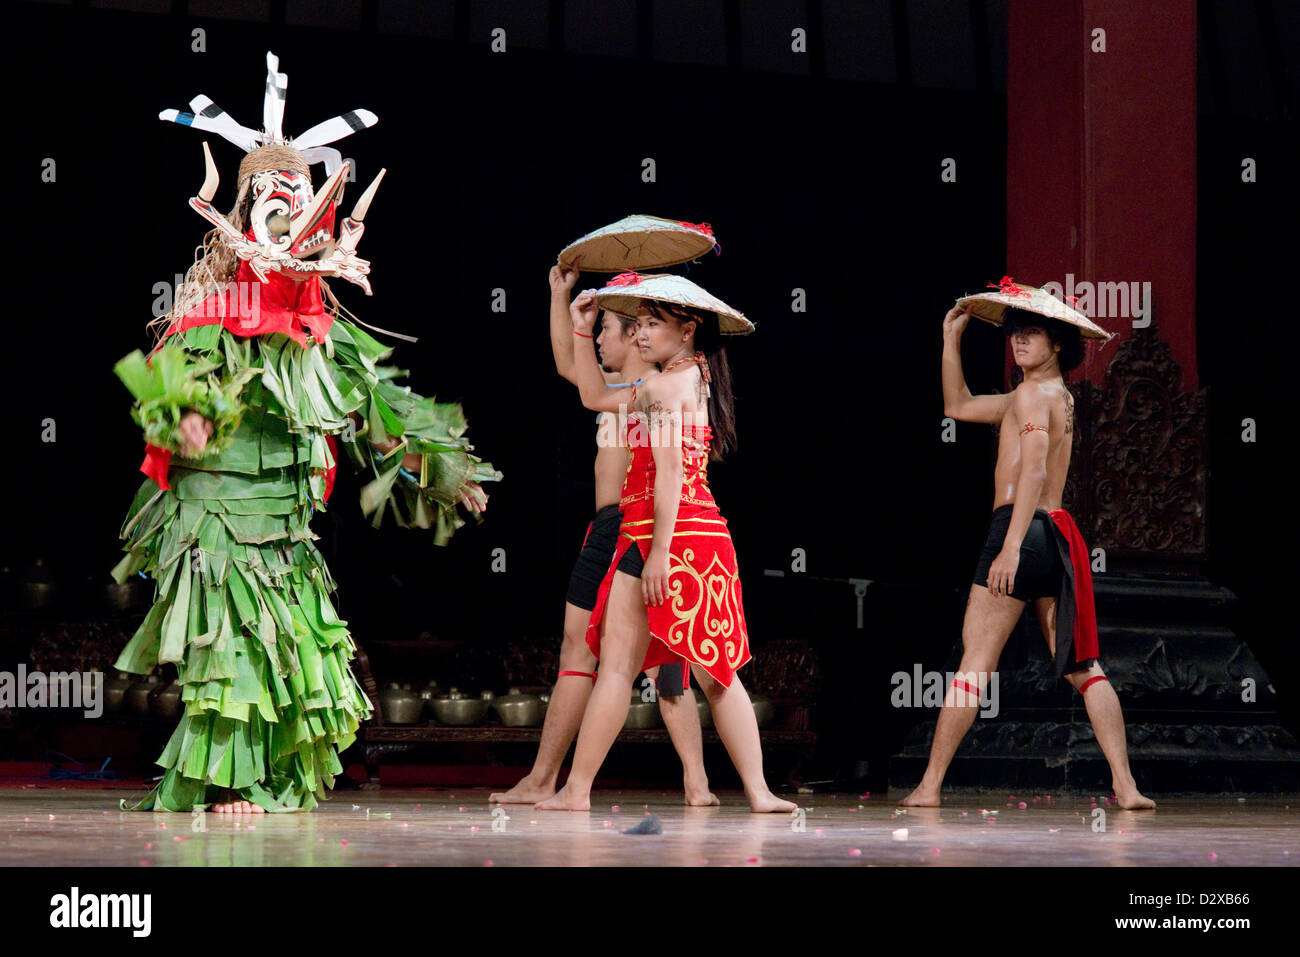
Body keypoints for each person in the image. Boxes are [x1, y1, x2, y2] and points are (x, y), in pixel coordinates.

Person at [111, 52, 499, 813]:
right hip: (219, 509)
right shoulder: (209, 311)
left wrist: (443, 469)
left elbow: (371, 409)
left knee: (291, 639)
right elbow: (165, 411)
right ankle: (229, 780)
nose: (291, 216)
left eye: (301, 202)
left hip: (285, 519)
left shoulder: (318, 324)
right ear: (246, 209)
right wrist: (189, 419)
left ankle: (265, 774)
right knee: (229, 635)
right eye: (274, 201)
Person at [535, 276, 794, 813]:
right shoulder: (690, 379)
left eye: (654, 323)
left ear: (688, 329)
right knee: (714, 674)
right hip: (685, 532)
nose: (644, 333)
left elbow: (672, 470)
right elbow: (592, 396)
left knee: (654, 672)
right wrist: (583, 332)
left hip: (671, 535)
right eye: (643, 323)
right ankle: (758, 792)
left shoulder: (667, 387)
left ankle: (579, 791)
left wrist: (658, 552)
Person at [900, 292, 1154, 810]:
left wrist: (1011, 548)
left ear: (1056, 343)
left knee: (976, 660)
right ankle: (1126, 787)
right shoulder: (1046, 394)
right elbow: (959, 405)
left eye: (1031, 333)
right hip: (1052, 536)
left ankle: (929, 787)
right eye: (1014, 331)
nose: (1017, 339)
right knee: (1085, 666)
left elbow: (1034, 472)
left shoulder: (1036, 397)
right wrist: (951, 339)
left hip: (1020, 532)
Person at [490, 263, 716, 806]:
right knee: (627, 655)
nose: (602, 343)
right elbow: (571, 364)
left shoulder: (650, 384)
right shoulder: (628, 383)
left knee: (658, 659)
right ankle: (555, 777)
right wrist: (562, 300)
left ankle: (684, 780)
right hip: (612, 525)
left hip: (637, 525)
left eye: (613, 331)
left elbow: (581, 373)